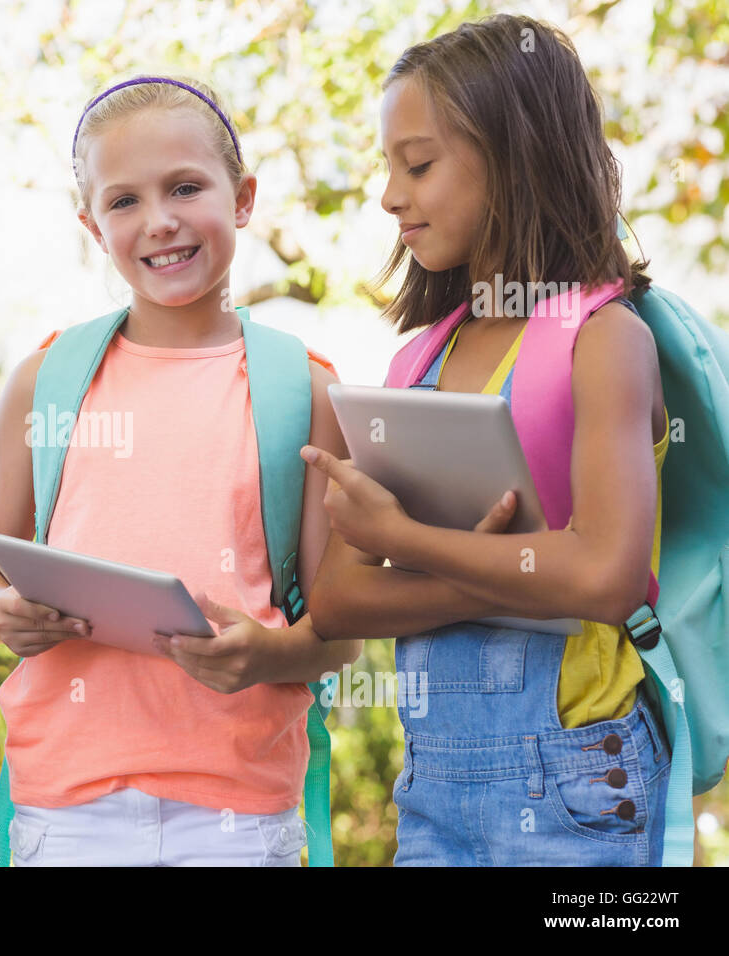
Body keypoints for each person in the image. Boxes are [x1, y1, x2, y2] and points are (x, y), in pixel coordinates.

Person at [0, 75, 361, 866]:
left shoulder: (304, 389)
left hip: (237, 811)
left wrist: (267, 655)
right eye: (124, 201)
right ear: (91, 225)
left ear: (241, 197)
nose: (160, 221)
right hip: (68, 805)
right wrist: (3, 613)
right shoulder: (46, 379)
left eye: (185, 187)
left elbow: (339, 632)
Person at [303, 15, 671, 865]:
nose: (391, 196)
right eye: (387, 168)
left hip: (580, 781)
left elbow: (608, 578)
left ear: (516, 155)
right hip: (432, 788)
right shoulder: (414, 364)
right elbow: (338, 601)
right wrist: (498, 578)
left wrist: (410, 546)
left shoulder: (605, 342)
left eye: (419, 164)